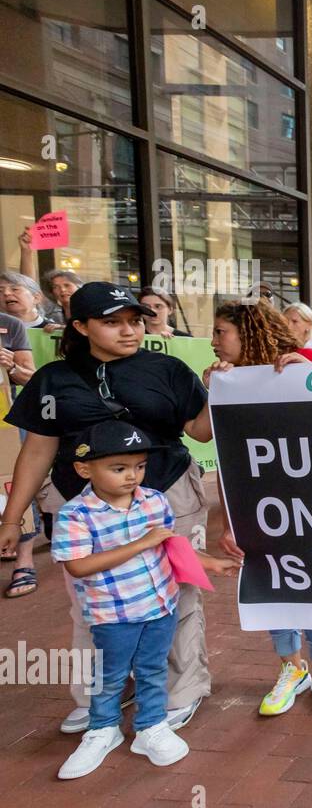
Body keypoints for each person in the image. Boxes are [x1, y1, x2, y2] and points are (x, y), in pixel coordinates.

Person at [1, 282, 214, 734]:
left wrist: (218, 391)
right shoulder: (52, 379)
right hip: (82, 503)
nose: (129, 330)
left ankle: (181, 690)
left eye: (135, 320)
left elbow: (200, 432)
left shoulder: (170, 369)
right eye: (112, 322)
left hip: (166, 491)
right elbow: (37, 451)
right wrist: (11, 516)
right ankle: (103, 693)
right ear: (80, 326)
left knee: (177, 596)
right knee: (92, 603)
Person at [53, 422, 238, 779]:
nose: (132, 476)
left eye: (138, 466)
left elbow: (172, 545)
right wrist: (140, 543)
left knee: (153, 669)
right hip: (113, 614)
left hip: (160, 607)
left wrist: (211, 563)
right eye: (119, 468)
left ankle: (150, 727)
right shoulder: (76, 514)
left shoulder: (153, 500)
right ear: (83, 468)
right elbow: (77, 565)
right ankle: (102, 730)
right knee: (110, 675)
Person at [205, 303, 312, 718]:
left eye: (221, 333)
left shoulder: (308, 363)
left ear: (248, 332)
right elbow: (216, 445)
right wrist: (212, 390)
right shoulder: (225, 381)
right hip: (258, 507)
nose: (215, 342)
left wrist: (309, 371)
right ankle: (291, 667)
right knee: (272, 582)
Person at [0, 310, 38, 596]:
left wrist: (10, 366)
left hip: (4, 424)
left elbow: (31, 377)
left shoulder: (10, 325)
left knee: (14, 480)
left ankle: (24, 562)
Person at [210, 300, 312, 367]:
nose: (213, 343)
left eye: (220, 332)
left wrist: (310, 373)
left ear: (249, 333)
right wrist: (217, 390)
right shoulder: (229, 373)